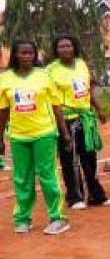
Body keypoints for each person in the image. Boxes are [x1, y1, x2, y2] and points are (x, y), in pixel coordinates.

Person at [0, 39, 71, 234]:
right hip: (18, 136)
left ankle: (57, 217)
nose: (27, 56)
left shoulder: (44, 76)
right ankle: (23, 218)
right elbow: (3, 112)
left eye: (31, 53)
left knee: (48, 175)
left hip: (44, 133)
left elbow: (56, 106)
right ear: (15, 55)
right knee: (22, 178)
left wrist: (64, 133)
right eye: (23, 53)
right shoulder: (5, 79)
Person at [46, 34, 110, 210]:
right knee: (70, 160)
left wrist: (98, 109)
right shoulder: (51, 70)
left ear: (74, 47)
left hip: (86, 118)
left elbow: (87, 91)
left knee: (90, 158)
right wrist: (62, 129)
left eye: (68, 46)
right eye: (61, 46)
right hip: (66, 119)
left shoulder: (82, 65)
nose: (65, 49)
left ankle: (96, 195)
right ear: (56, 50)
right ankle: (75, 197)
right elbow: (51, 101)